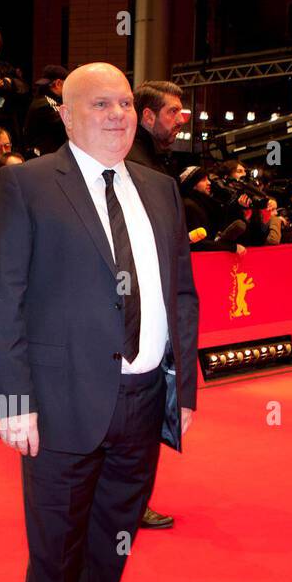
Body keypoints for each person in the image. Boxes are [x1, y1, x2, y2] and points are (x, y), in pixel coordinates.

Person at [0, 62, 198, 582]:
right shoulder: (27, 183)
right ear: (68, 116)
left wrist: (181, 389)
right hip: (60, 403)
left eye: (127, 103)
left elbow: (182, 296)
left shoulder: (162, 190)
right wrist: (12, 400)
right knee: (57, 551)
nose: (117, 114)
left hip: (141, 400)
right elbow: (1, 296)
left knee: (113, 543)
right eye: (99, 103)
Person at [127, 79, 193, 530]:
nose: (180, 120)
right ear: (147, 117)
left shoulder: (157, 170)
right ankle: (126, 502)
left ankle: (129, 500)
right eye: (171, 112)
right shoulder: (135, 167)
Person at [22, 65, 68, 157]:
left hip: (44, 157)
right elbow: (67, 124)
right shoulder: (47, 103)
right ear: (58, 83)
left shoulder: (42, 99)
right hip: (43, 158)